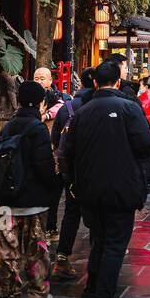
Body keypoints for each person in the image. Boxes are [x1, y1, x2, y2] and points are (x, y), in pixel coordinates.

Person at [63, 58, 150, 298]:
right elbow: (145, 146)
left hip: (89, 188)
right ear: (118, 81)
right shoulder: (129, 108)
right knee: (115, 244)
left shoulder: (81, 112)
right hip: (121, 187)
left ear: (93, 81)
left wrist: (73, 184)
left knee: (99, 239)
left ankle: (94, 288)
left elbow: (68, 151)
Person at [0, 80, 59, 298]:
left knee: (8, 253)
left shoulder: (8, 127)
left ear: (19, 101)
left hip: (6, 204)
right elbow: (44, 166)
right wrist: (54, 187)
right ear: (41, 102)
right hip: (34, 202)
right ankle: (37, 295)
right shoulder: (38, 128)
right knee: (37, 251)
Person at [50, 67, 95, 280]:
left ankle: (62, 256)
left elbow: (55, 140)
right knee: (96, 214)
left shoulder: (66, 107)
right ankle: (96, 259)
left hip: (70, 171)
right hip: (93, 170)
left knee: (71, 213)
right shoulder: (96, 107)